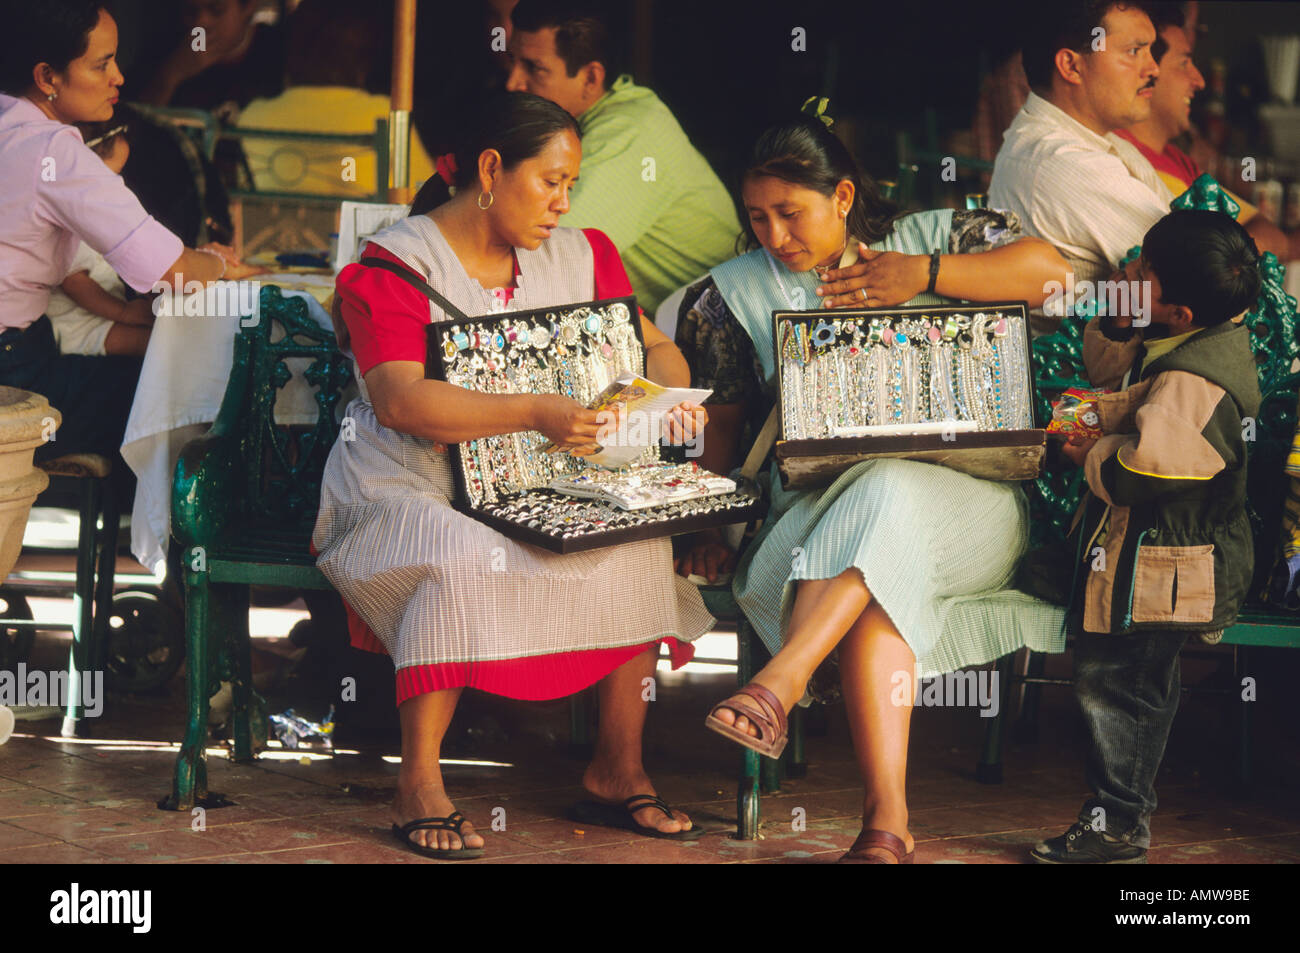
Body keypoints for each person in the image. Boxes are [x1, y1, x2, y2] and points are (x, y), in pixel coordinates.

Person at [313, 91, 714, 859]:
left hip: (540, 471)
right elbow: (399, 400)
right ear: (491, 170)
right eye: (551, 182)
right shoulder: (395, 266)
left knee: (636, 538)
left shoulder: (586, 254)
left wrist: (665, 395)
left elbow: (654, 348)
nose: (564, 203)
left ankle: (617, 767)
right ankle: (420, 782)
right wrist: (534, 409)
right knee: (462, 555)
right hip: (406, 478)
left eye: (572, 185)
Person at [673, 105, 1072, 864]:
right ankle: (885, 824)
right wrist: (700, 528)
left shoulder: (929, 239)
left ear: (845, 197)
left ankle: (780, 682)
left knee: (890, 490)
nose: (773, 236)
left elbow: (1054, 275)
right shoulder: (728, 298)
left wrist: (919, 276)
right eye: (756, 218)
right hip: (812, 519)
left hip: (974, 508)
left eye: (791, 214)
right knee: (882, 550)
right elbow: (717, 437)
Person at [1032, 210, 1262, 863]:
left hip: (1163, 573)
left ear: (1183, 312)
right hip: (1135, 559)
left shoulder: (1197, 379)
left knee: (1122, 691)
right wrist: (1122, 317)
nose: (1129, 270)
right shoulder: (1178, 336)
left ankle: (1117, 822)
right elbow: (1119, 379)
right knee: (1114, 676)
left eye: (1145, 273)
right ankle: (1116, 814)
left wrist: (1088, 452)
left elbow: (1140, 469)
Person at [0, 0, 259, 476]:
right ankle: (164, 539)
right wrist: (218, 263)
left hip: (28, 348)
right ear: (47, 77)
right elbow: (171, 271)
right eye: (102, 64)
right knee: (185, 396)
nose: (119, 77)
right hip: (13, 371)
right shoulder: (51, 150)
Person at [505, 0, 740, 313]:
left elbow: (546, 250)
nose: (513, 83)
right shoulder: (574, 127)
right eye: (513, 62)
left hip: (723, 333)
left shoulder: (633, 128)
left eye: (535, 68)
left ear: (591, 78)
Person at [988, 0, 1172, 326]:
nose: (1153, 68)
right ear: (1071, 67)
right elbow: (1201, 274)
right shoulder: (1062, 162)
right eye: (1134, 51)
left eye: (1151, 51)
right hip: (1089, 375)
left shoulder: (1097, 143)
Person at [1113, 3, 1295, 260]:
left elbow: (1272, 235)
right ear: (1148, 72)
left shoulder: (1177, 158)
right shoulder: (1118, 160)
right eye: (1184, 63)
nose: (1199, 81)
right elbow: (1196, 266)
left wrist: (1227, 258)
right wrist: (1233, 258)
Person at [236, 0, 438, 198]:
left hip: (271, 230)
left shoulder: (252, 115)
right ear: (363, 62)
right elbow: (427, 193)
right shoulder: (388, 115)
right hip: (363, 231)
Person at [47, 121, 154, 358]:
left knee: (163, 332)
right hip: (78, 324)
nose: (118, 183)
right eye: (111, 175)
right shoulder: (70, 213)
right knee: (155, 345)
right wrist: (125, 312)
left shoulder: (91, 208)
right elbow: (74, 282)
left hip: (104, 312)